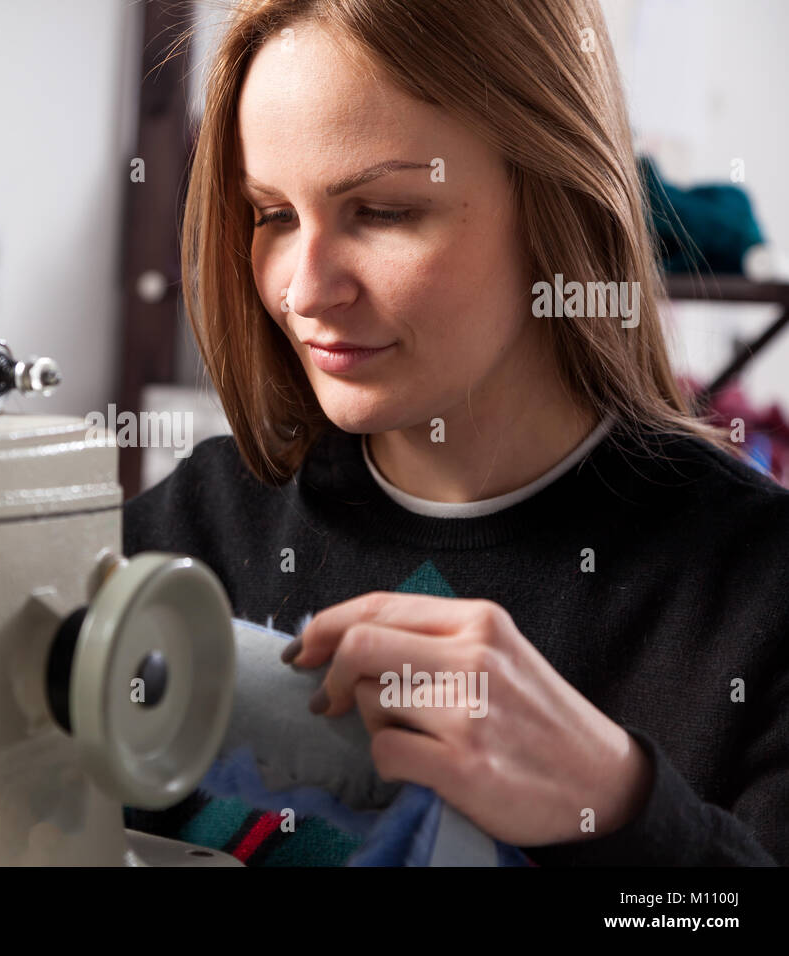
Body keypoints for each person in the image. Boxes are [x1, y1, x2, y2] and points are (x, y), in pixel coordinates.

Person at [121, 0, 788, 865]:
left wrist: (618, 802)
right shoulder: (190, 531)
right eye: (273, 215)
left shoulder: (757, 596)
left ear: (559, 199)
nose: (304, 290)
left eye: (384, 211)